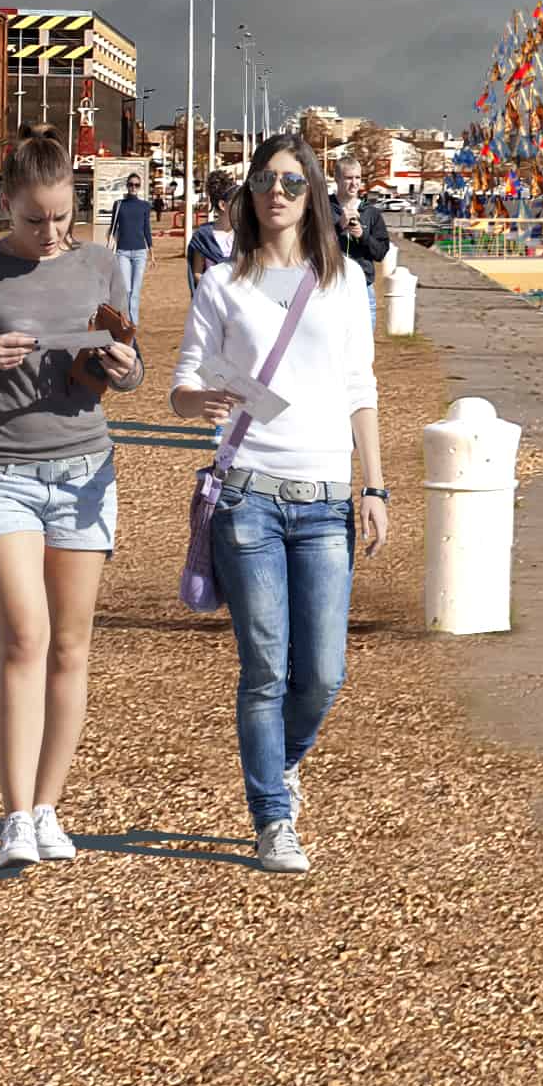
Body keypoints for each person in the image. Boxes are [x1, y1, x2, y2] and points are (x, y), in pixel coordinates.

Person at [170, 134, 388, 876]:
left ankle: (282, 762)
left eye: (294, 182)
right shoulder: (221, 284)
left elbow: (362, 389)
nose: (279, 192)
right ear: (249, 191)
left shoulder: (344, 284)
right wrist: (199, 398)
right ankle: (271, 818)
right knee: (264, 667)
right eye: (266, 179)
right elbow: (182, 383)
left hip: (326, 497)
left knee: (323, 673)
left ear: (316, 193)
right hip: (248, 495)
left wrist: (377, 486)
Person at [0, 135, 143, 867]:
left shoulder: (102, 264)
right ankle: (16, 815)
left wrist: (123, 366)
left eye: (61, 218)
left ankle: (51, 807)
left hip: (84, 471)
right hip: (0, 472)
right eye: (34, 221)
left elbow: (132, 373)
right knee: (24, 637)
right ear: (6, 205)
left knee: (71, 645)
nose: (50, 234)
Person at [105, 171, 157, 320]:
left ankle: (132, 325)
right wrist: (110, 247)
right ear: (126, 186)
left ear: (139, 187)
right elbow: (113, 228)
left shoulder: (145, 206)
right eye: (130, 184)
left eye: (136, 185)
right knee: (126, 289)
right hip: (123, 252)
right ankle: (126, 321)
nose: (133, 187)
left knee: (135, 291)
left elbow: (147, 229)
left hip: (140, 252)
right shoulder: (119, 204)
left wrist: (152, 254)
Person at [185, 172, 237, 290]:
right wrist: (216, 288)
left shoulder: (245, 234)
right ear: (223, 205)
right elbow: (197, 273)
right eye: (237, 202)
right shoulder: (203, 236)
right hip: (214, 300)